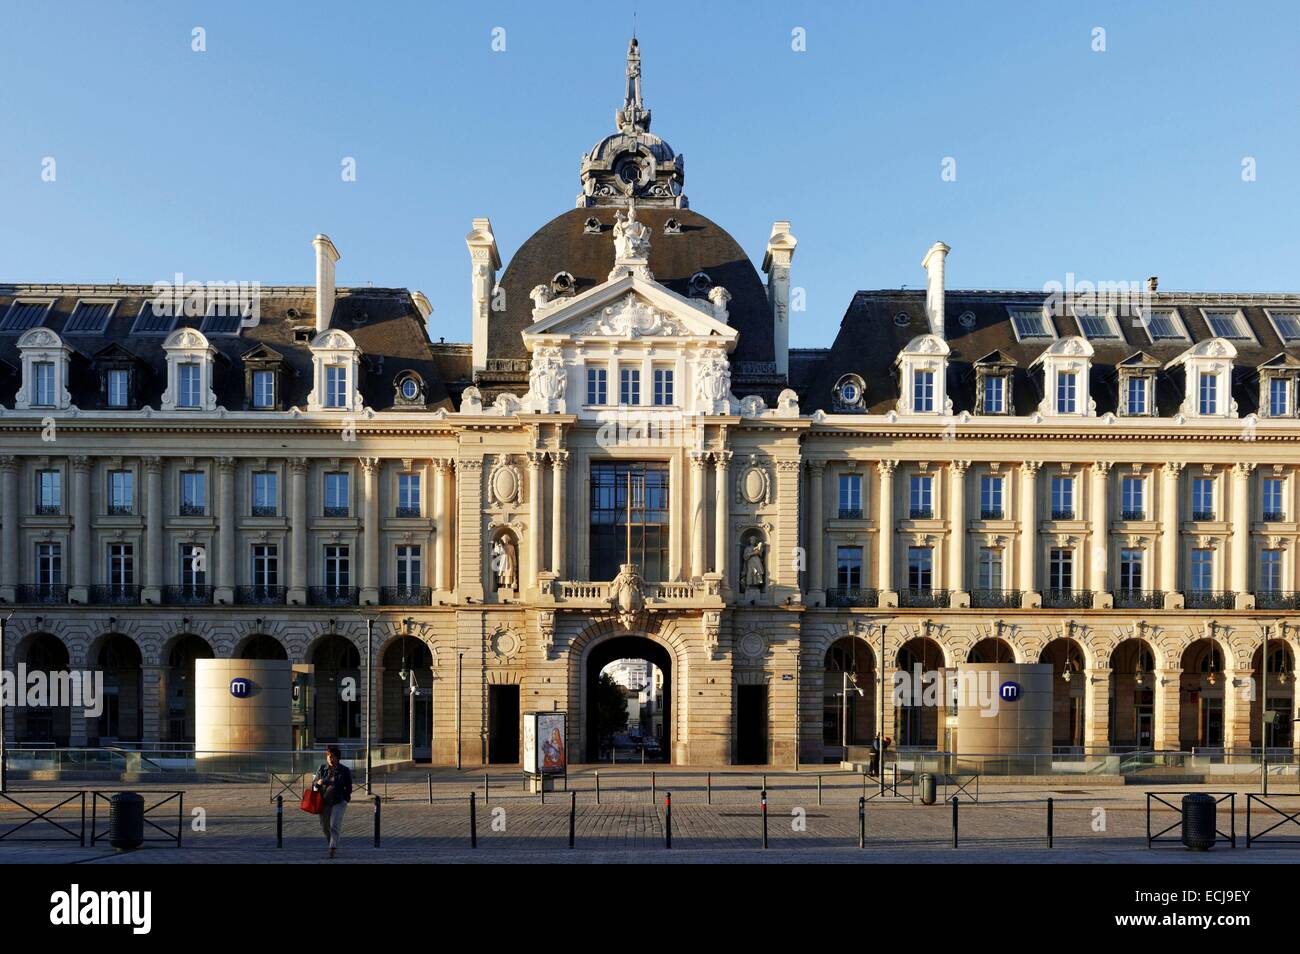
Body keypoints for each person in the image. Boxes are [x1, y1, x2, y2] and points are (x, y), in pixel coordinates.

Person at [312, 744, 353, 858]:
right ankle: (332, 842)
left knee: (334, 825)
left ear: (337, 758)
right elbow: (314, 783)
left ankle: (332, 848)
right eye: (328, 756)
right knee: (325, 827)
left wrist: (345, 798)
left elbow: (348, 787)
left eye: (333, 756)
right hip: (324, 801)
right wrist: (317, 783)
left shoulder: (344, 770)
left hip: (339, 801)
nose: (330, 758)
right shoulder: (321, 768)